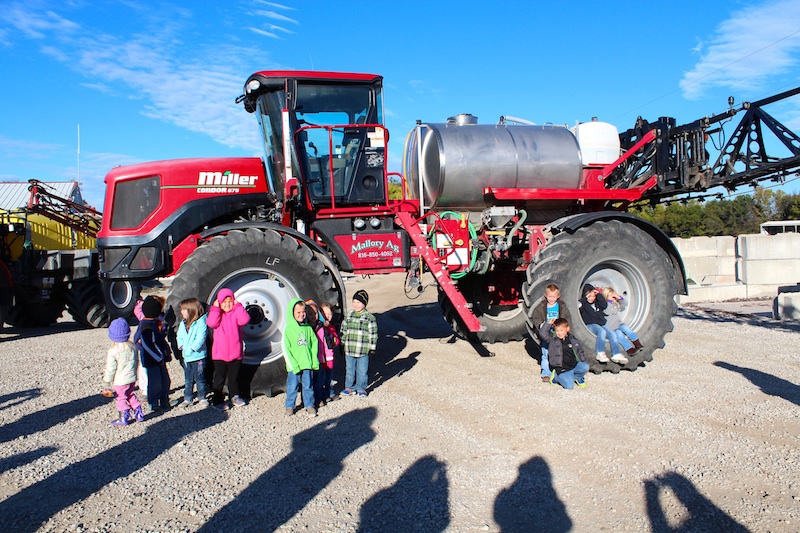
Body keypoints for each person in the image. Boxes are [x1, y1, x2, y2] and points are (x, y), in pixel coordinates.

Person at [206, 287, 250, 410]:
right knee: (219, 378)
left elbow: (245, 320)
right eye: (224, 302)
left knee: (233, 378)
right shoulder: (218, 315)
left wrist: (238, 306)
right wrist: (215, 308)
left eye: (230, 301)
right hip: (220, 354)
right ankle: (217, 399)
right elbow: (211, 323)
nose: (227, 304)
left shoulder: (235, 314)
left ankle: (234, 396)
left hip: (236, 354)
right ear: (219, 303)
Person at [102, 317, 145, 426]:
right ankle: (139, 412)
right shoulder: (132, 348)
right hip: (132, 378)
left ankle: (123, 417)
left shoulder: (113, 351)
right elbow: (136, 362)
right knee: (130, 394)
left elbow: (111, 368)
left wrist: (107, 382)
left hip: (121, 381)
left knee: (121, 397)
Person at [134, 295, 172, 412]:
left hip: (158, 359)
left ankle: (164, 401)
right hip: (152, 361)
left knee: (165, 381)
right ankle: (154, 403)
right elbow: (147, 345)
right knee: (155, 383)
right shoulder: (147, 327)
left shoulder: (151, 323)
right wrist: (159, 357)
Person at [282, 299, 319, 417]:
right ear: (292, 313)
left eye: (303, 312)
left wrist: (314, 360)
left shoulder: (308, 328)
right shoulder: (288, 329)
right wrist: (293, 364)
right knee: (292, 386)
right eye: (298, 312)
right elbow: (286, 348)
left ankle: (309, 404)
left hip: (307, 363)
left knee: (308, 386)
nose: (301, 315)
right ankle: (290, 405)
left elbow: (314, 343)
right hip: (295, 366)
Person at [531, 284, 573, 383]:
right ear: (546, 295)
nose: (551, 299)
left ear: (558, 296)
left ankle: (561, 371)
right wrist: (542, 325)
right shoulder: (541, 306)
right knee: (546, 353)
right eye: (550, 296)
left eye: (554, 297)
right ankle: (546, 373)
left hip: (558, 332)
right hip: (547, 332)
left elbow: (567, 318)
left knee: (561, 352)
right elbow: (535, 317)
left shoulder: (562, 306)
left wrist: (567, 330)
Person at [340, 289, 377, 398]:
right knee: (349, 370)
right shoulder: (349, 316)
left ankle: (361, 388)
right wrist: (342, 343)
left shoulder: (369, 318)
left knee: (362, 371)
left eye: (359, 302)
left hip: (363, 350)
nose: (356, 304)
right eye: (354, 302)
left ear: (364, 304)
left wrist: (372, 348)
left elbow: (373, 334)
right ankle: (349, 387)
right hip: (350, 349)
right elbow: (344, 330)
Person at [578, 284, 628, 365]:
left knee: (612, 334)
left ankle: (616, 354)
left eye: (593, 296)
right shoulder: (584, 304)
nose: (591, 298)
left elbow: (604, 305)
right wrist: (586, 297)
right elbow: (579, 303)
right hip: (590, 324)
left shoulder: (597, 303)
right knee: (602, 331)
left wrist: (598, 294)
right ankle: (600, 352)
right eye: (589, 296)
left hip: (600, 323)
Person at [176, 298, 209, 408]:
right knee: (188, 379)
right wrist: (181, 345)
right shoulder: (183, 324)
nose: (181, 312)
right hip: (187, 357)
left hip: (198, 357)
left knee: (200, 379)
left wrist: (192, 348)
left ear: (191, 310)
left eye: (183, 309)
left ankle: (202, 397)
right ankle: (188, 398)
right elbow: (179, 336)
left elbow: (200, 338)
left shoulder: (200, 323)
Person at [538, 317, 589, 390]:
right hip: (562, 368)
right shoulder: (553, 340)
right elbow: (542, 333)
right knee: (569, 387)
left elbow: (579, 351)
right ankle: (556, 377)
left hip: (573, 365)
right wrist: (548, 324)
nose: (559, 333)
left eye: (562, 330)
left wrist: (584, 361)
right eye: (557, 331)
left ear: (567, 329)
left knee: (585, 366)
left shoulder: (572, 338)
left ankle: (578, 377)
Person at [601, 287, 643, 357]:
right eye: (610, 296)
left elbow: (625, 304)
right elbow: (607, 312)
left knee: (628, 331)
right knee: (620, 336)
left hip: (619, 324)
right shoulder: (605, 305)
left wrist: (619, 297)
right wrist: (609, 301)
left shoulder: (615, 304)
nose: (613, 298)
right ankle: (629, 349)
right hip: (612, 327)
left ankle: (637, 344)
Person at [319, 302, 341, 401]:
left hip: (329, 357)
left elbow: (336, 339)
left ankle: (330, 393)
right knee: (321, 377)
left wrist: (335, 341)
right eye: (324, 314)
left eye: (329, 314)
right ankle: (323, 394)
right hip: (321, 357)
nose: (327, 316)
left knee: (329, 377)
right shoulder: (319, 327)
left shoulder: (331, 327)